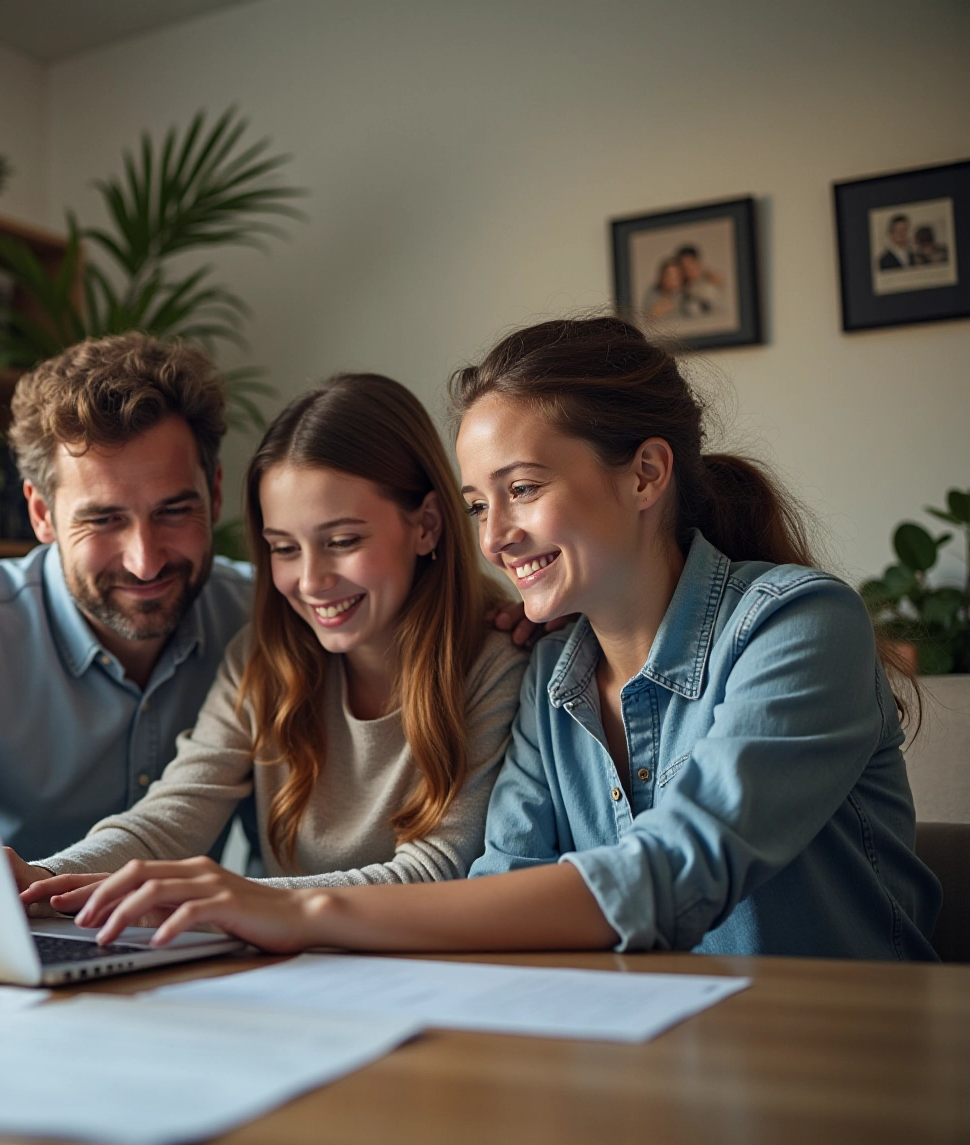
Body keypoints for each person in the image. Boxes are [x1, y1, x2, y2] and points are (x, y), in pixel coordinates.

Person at [58, 317, 942, 961]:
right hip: (665, 1046)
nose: (495, 536)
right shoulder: (554, 670)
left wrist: (297, 912)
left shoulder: (796, 623)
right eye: (481, 504)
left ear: (645, 473)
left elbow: (673, 874)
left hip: (845, 1046)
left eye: (520, 489)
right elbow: (491, 890)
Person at [12, 374, 528, 900]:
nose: (310, 581)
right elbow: (172, 816)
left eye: (342, 540)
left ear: (427, 526)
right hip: (285, 966)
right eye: (284, 548)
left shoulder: (498, 660)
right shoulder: (265, 658)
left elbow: (435, 871)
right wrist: (42, 878)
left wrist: (249, 901)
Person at [0, 333, 253, 860]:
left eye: (173, 512)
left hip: (208, 938)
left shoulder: (262, 620)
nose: (144, 560)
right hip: (9, 936)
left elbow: (289, 853)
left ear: (214, 494)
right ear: (41, 513)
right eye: (104, 520)